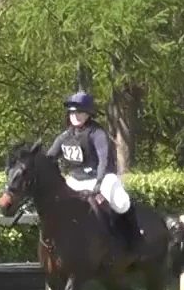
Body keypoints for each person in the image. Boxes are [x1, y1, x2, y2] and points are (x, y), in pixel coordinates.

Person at [46, 90, 138, 244]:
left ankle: (134, 236)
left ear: (88, 114)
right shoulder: (64, 137)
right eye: (73, 112)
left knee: (122, 203)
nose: (76, 115)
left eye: (80, 112)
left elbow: (104, 160)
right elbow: (49, 158)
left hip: (101, 177)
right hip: (75, 179)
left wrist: (99, 184)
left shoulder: (97, 133)